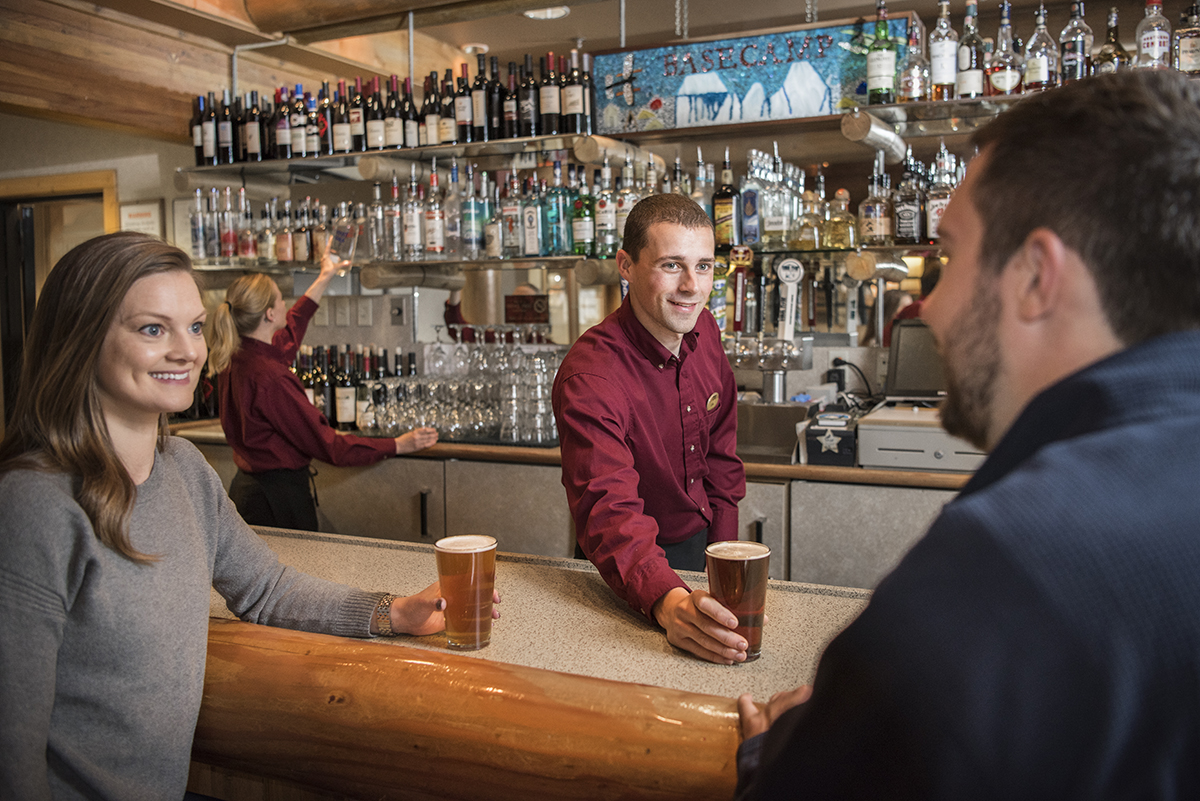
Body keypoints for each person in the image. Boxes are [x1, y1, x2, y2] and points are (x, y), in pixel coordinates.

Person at [735, 70, 1200, 798]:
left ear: (1036, 277)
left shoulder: (1009, 565)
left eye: (948, 258)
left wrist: (776, 753)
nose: (929, 305)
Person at [0, 232, 465, 799]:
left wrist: (394, 613)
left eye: (194, 326)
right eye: (153, 329)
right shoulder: (35, 504)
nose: (187, 351)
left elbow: (266, 588)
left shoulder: (184, 469)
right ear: (81, 339)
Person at [552, 193, 748, 665]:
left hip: (707, 547)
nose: (691, 287)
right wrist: (668, 600)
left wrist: (724, 558)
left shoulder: (706, 332)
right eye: (671, 265)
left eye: (704, 266)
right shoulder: (592, 376)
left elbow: (721, 455)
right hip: (629, 566)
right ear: (626, 264)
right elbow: (608, 509)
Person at [208, 245, 437, 531]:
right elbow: (329, 446)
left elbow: (292, 329)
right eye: (281, 301)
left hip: (249, 492)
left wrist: (325, 275)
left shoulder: (237, 358)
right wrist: (398, 444)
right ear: (268, 315)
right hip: (278, 501)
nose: (285, 306)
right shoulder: (272, 378)